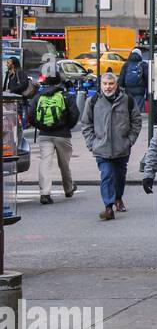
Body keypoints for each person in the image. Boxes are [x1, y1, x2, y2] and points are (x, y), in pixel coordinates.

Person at [81, 71, 142, 220]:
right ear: (101, 84)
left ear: (116, 85)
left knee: (120, 176)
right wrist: (92, 144)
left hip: (122, 147)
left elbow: (136, 121)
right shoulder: (93, 101)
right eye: (105, 84)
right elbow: (86, 124)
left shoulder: (127, 100)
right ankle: (108, 207)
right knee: (107, 175)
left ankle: (118, 198)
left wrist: (129, 141)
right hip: (101, 148)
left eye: (111, 84)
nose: (108, 87)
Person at [32, 67, 79, 204]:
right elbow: (74, 115)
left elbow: (31, 115)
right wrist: (66, 126)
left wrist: (41, 126)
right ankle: (68, 189)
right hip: (62, 134)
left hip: (44, 134)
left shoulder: (39, 97)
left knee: (45, 163)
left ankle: (45, 193)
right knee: (64, 163)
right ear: (59, 82)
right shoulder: (66, 96)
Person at [119, 48, 149, 113]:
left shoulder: (126, 64)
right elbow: (147, 79)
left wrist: (120, 89)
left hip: (128, 90)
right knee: (137, 110)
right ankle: (136, 120)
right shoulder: (143, 65)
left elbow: (121, 78)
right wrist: (148, 94)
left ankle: (129, 121)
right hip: (140, 91)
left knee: (128, 108)